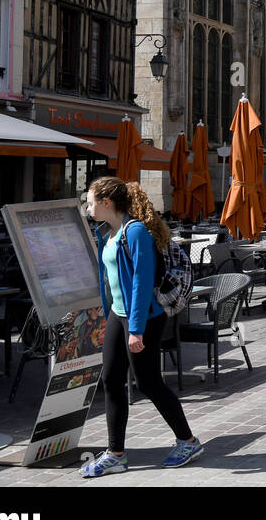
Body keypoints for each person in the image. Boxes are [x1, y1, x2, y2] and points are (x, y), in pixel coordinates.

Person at [81, 177, 203, 477]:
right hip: (118, 315)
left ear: (106, 203)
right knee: (110, 380)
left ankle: (188, 441)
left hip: (143, 318)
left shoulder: (135, 232)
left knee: (149, 383)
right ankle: (116, 453)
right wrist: (107, 314)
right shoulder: (107, 232)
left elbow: (141, 282)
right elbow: (111, 282)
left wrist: (135, 329)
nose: (88, 206)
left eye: (91, 200)